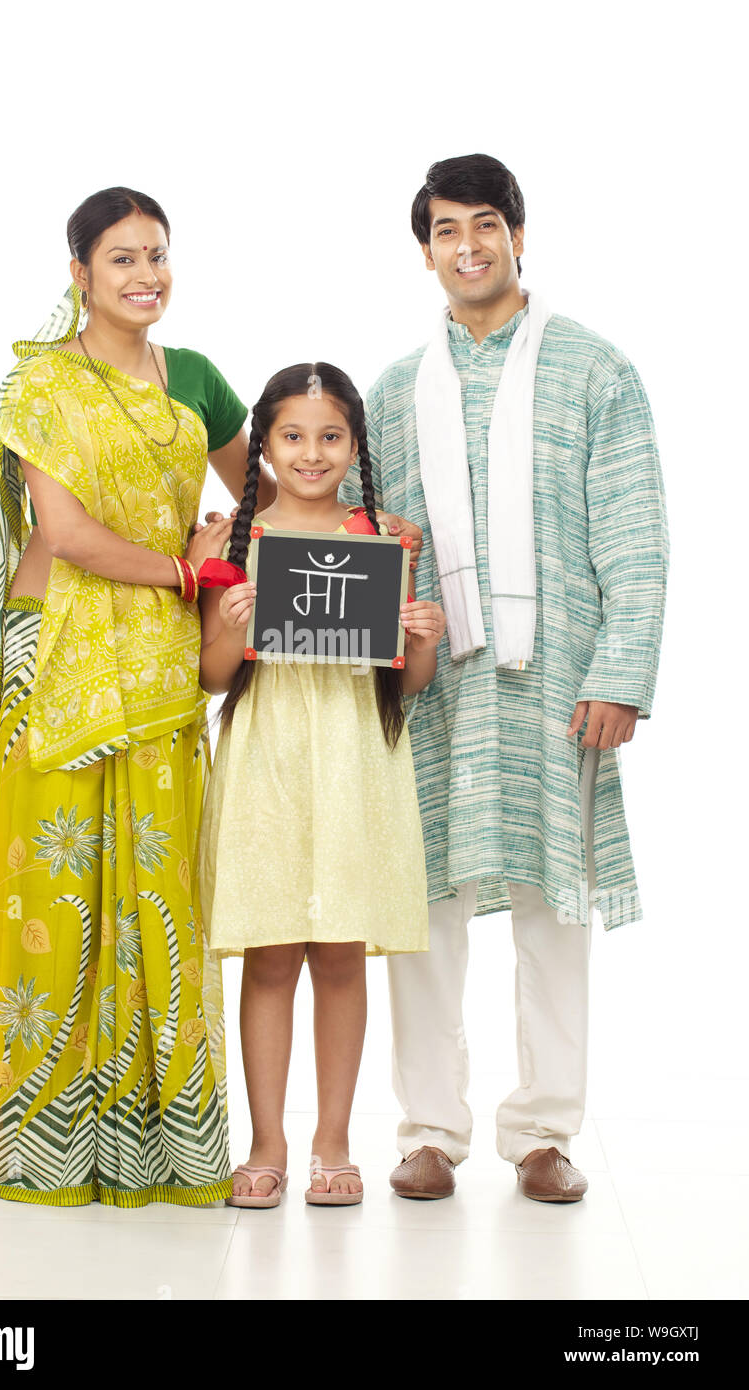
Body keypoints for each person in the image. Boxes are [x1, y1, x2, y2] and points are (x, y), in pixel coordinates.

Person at [338, 154, 669, 1202]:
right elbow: (350, 531)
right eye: (445, 229)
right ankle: (428, 1128)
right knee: (421, 902)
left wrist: (620, 667)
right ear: (424, 248)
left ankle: (540, 1134)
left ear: (518, 235)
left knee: (549, 905)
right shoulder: (390, 392)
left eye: (485, 224)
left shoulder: (592, 369)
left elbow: (633, 529)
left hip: (554, 678)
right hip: (431, 686)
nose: (467, 245)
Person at [0, 186, 275, 1207]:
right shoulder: (43, 386)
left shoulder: (191, 379)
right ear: (79, 276)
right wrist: (188, 571)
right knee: (51, 888)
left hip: (155, 662)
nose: (144, 274)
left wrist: (232, 549)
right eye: (120, 259)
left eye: (156, 255)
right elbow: (65, 535)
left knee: (158, 896)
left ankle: (160, 1144)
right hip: (56, 656)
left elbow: (263, 491)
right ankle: (39, 1142)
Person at [197, 363, 446, 1207]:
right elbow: (211, 675)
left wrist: (424, 637)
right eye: (292, 437)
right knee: (269, 952)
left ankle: (333, 1143)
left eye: (330, 436)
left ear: (356, 444)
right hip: (268, 753)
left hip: (353, 754)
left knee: (340, 952)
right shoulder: (236, 537)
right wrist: (231, 626)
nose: (311, 453)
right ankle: (264, 1143)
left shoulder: (386, 538)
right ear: (262, 443)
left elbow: (405, 680)